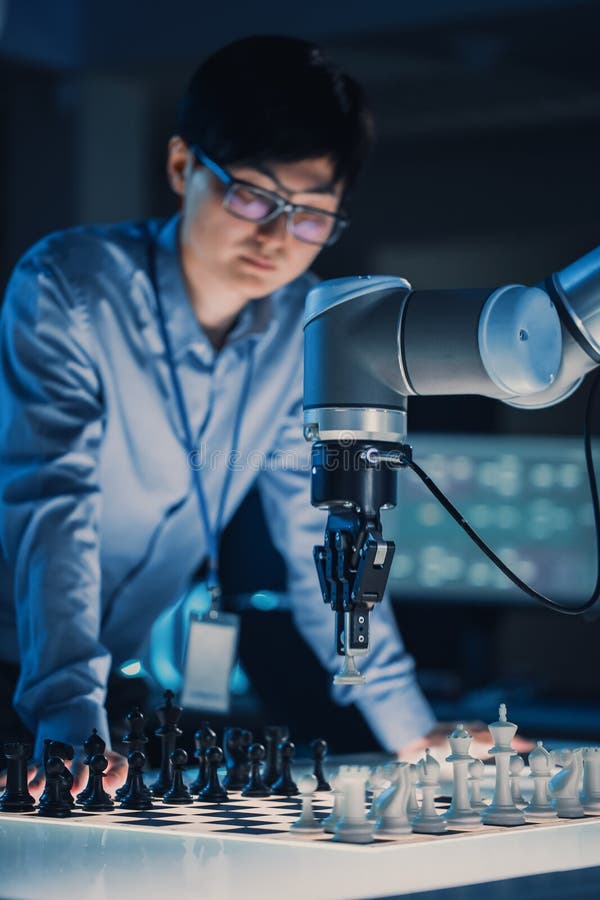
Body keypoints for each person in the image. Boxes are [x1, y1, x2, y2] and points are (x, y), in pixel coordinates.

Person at [0, 35, 525, 795]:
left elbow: (318, 532)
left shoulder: (300, 328)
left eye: (313, 215)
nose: (278, 238)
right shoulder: (71, 289)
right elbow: (56, 504)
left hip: (96, 683)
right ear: (183, 166)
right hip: (35, 669)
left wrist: (408, 727)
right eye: (254, 195)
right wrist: (66, 713)